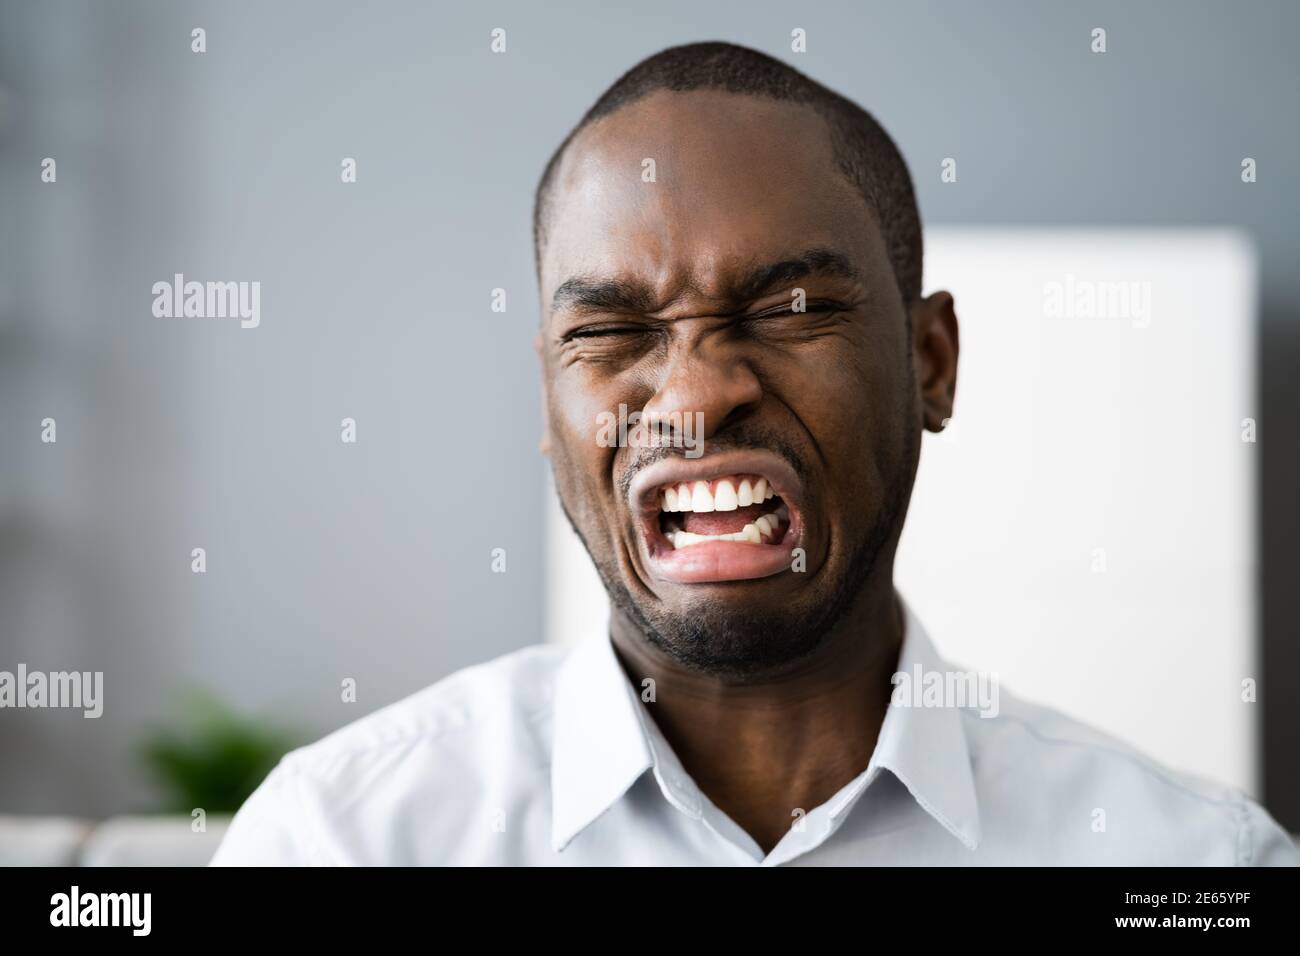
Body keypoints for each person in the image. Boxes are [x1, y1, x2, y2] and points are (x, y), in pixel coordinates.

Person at [212, 42, 1298, 866]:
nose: (694, 392)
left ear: (930, 362)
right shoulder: (342, 839)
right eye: (604, 332)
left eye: (790, 307)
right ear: (549, 401)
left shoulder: (1186, 861)